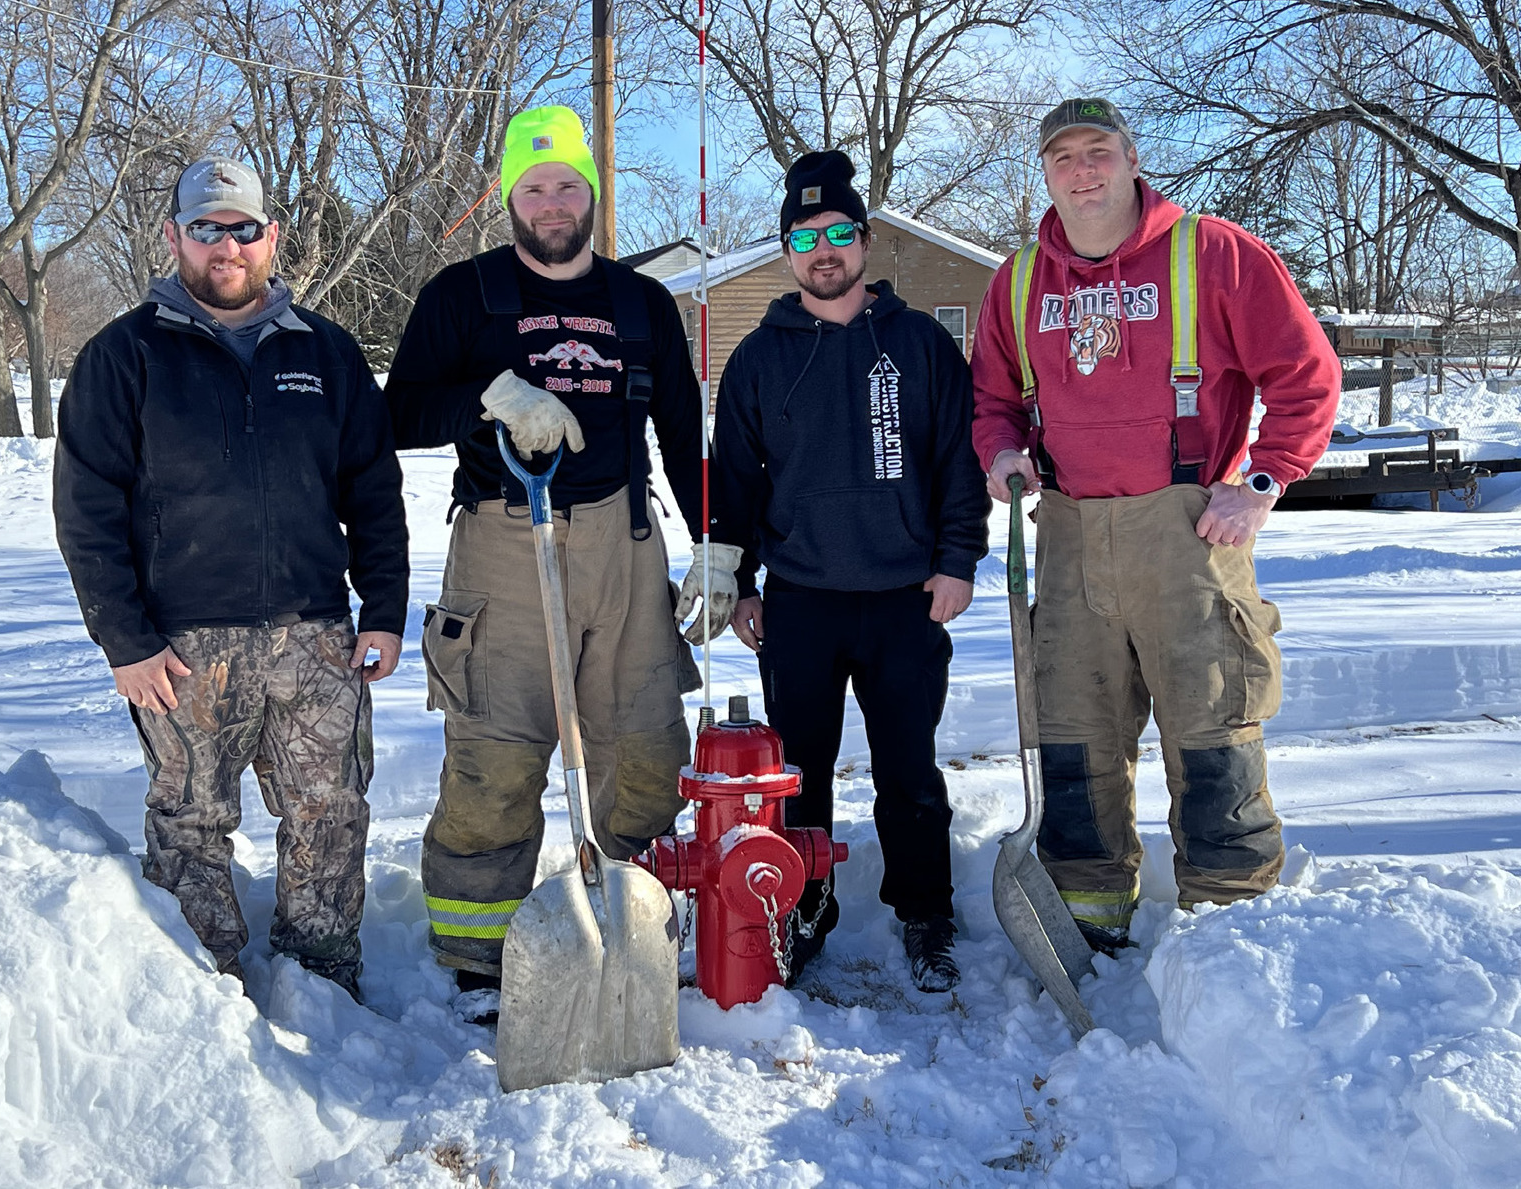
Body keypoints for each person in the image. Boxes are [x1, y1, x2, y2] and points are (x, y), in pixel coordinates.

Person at [971, 98, 1340, 951]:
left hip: (1187, 538)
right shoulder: (1017, 281)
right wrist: (1000, 451)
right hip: (1066, 537)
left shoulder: (1211, 253)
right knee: (1073, 737)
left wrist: (1261, 481)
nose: (1082, 172)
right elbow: (990, 398)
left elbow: (1306, 375)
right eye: (1063, 158)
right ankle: (1086, 925)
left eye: (1098, 151)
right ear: (1045, 174)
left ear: (1132, 160)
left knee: (1211, 731)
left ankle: (1227, 931)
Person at [54, 156, 408, 1001]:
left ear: (270, 237)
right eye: (206, 228)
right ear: (174, 236)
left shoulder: (325, 352)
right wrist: (126, 640)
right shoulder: (124, 356)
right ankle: (198, 992)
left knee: (330, 809)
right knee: (190, 823)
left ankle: (322, 978)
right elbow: (86, 510)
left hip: (316, 637)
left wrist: (384, 608)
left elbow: (372, 490)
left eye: (243, 228)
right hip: (182, 648)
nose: (226, 246)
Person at [386, 106, 704, 1022]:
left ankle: (631, 925)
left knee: (644, 749)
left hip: (622, 545)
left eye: (568, 184)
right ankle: (477, 960)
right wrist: (489, 395)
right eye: (534, 188)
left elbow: (684, 433)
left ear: (592, 193)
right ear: (508, 199)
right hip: (502, 544)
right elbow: (395, 414)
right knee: (495, 758)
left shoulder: (642, 305)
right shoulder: (463, 294)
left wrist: (718, 544)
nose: (553, 202)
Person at [704, 151, 990, 993]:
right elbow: (735, 484)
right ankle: (802, 908)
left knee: (910, 770)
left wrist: (956, 561)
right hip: (799, 602)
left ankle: (925, 913)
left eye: (836, 233)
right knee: (797, 775)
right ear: (786, 252)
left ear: (864, 242)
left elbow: (958, 462)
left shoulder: (919, 343)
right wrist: (740, 583)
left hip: (906, 597)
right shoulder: (757, 359)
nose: (821, 250)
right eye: (804, 237)